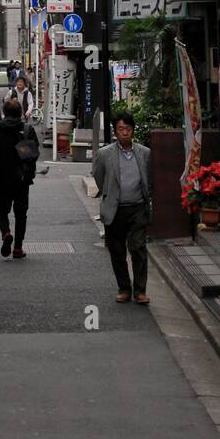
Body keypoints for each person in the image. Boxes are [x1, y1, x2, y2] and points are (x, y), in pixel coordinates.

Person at [92, 112, 153, 305]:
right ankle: (124, 288)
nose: (124, 132)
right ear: (115, 131)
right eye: (120, 129)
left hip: (137, 207)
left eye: (128, 129)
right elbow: (99, 177)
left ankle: (140, 290)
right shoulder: (105, 154)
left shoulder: (144, 152)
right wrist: (109, 195)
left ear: (133, 130)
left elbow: (149, 179)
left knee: (138, 248)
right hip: (115, 209)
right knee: (117, 250)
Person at [0, 95, 39, 259]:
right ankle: (18, 248)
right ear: (20, 112)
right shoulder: (27, 130)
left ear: (5, 113)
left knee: (1, 210)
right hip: (22, 179)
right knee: (21, 214)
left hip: (2, 178)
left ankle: (6, 233)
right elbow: (34, 153)